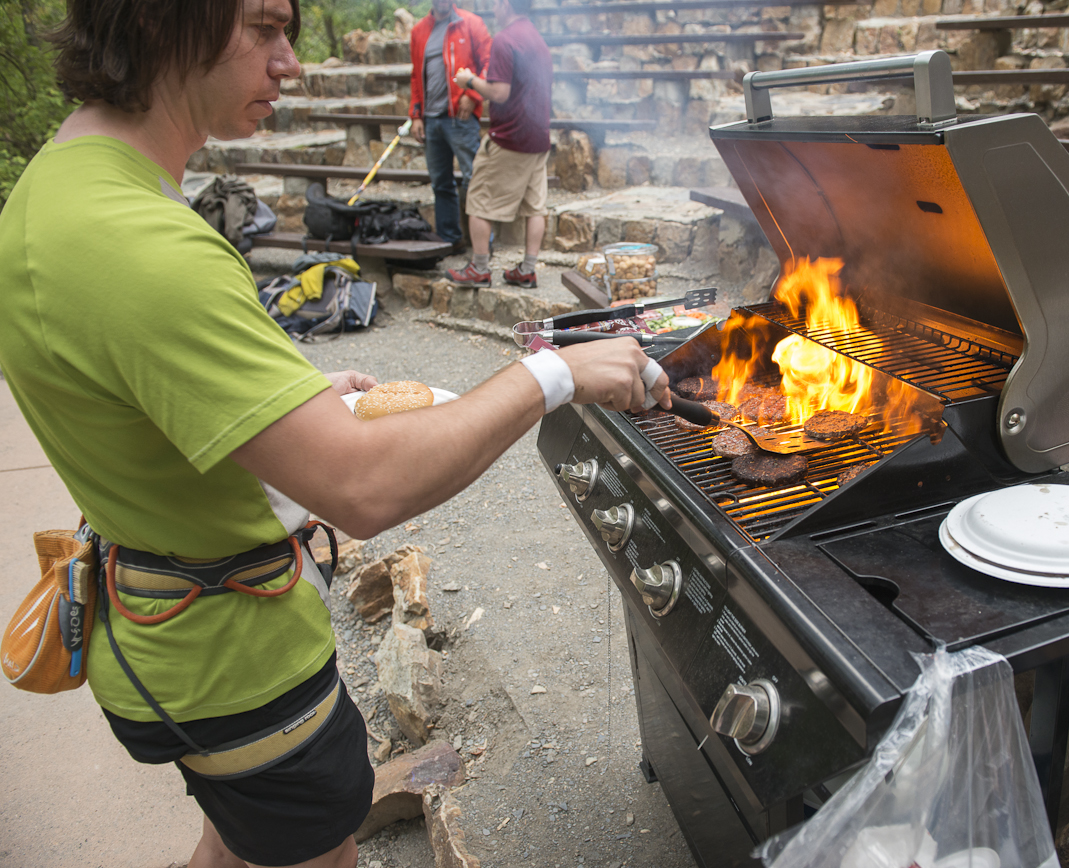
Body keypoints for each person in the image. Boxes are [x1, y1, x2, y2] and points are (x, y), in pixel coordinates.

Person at [0, 2, 669, 867]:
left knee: (236, 846)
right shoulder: (145, 246)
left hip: (158, 638)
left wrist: (286, 401)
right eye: (265, 28)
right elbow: (362, 487)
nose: (293, 63)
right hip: (236, 666)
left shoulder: (56, 192)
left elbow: (129, 386)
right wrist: (556, 374)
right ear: (165, 20)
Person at [445, 0, 552, 290]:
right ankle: (527, 270)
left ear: (506, 4)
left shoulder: (506, 39)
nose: (493, 6)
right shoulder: (536, 38)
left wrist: (469, 81)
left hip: (510, 137)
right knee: (535, 205)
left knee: (478, 199)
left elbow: (500, 92)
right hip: (539, 137)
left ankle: (479, 269)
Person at [408, 0, 491, 252]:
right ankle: (450, 240)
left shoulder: (471, 24)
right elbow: (415, 76)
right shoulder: (419, 31)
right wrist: (416, 115)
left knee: (473, 179)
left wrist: (473, 94)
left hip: (461, 118)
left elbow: (490, 64)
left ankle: (482, 245)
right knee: (440, 183)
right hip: (431, 120)